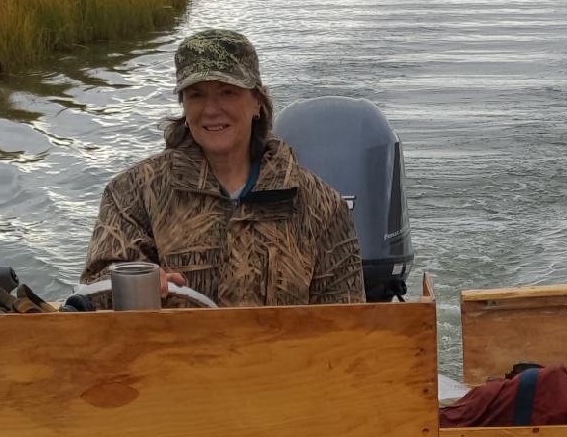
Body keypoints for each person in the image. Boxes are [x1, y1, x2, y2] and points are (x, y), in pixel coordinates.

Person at [82, 28, 365, 306]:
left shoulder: (321, 204)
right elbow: (95, 289)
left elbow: (346, 322)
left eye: (227, 92)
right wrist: (135, 283)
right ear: (184, 105)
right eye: (196, 94)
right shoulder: (132, 192)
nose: (211, 109)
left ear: (257, 102)